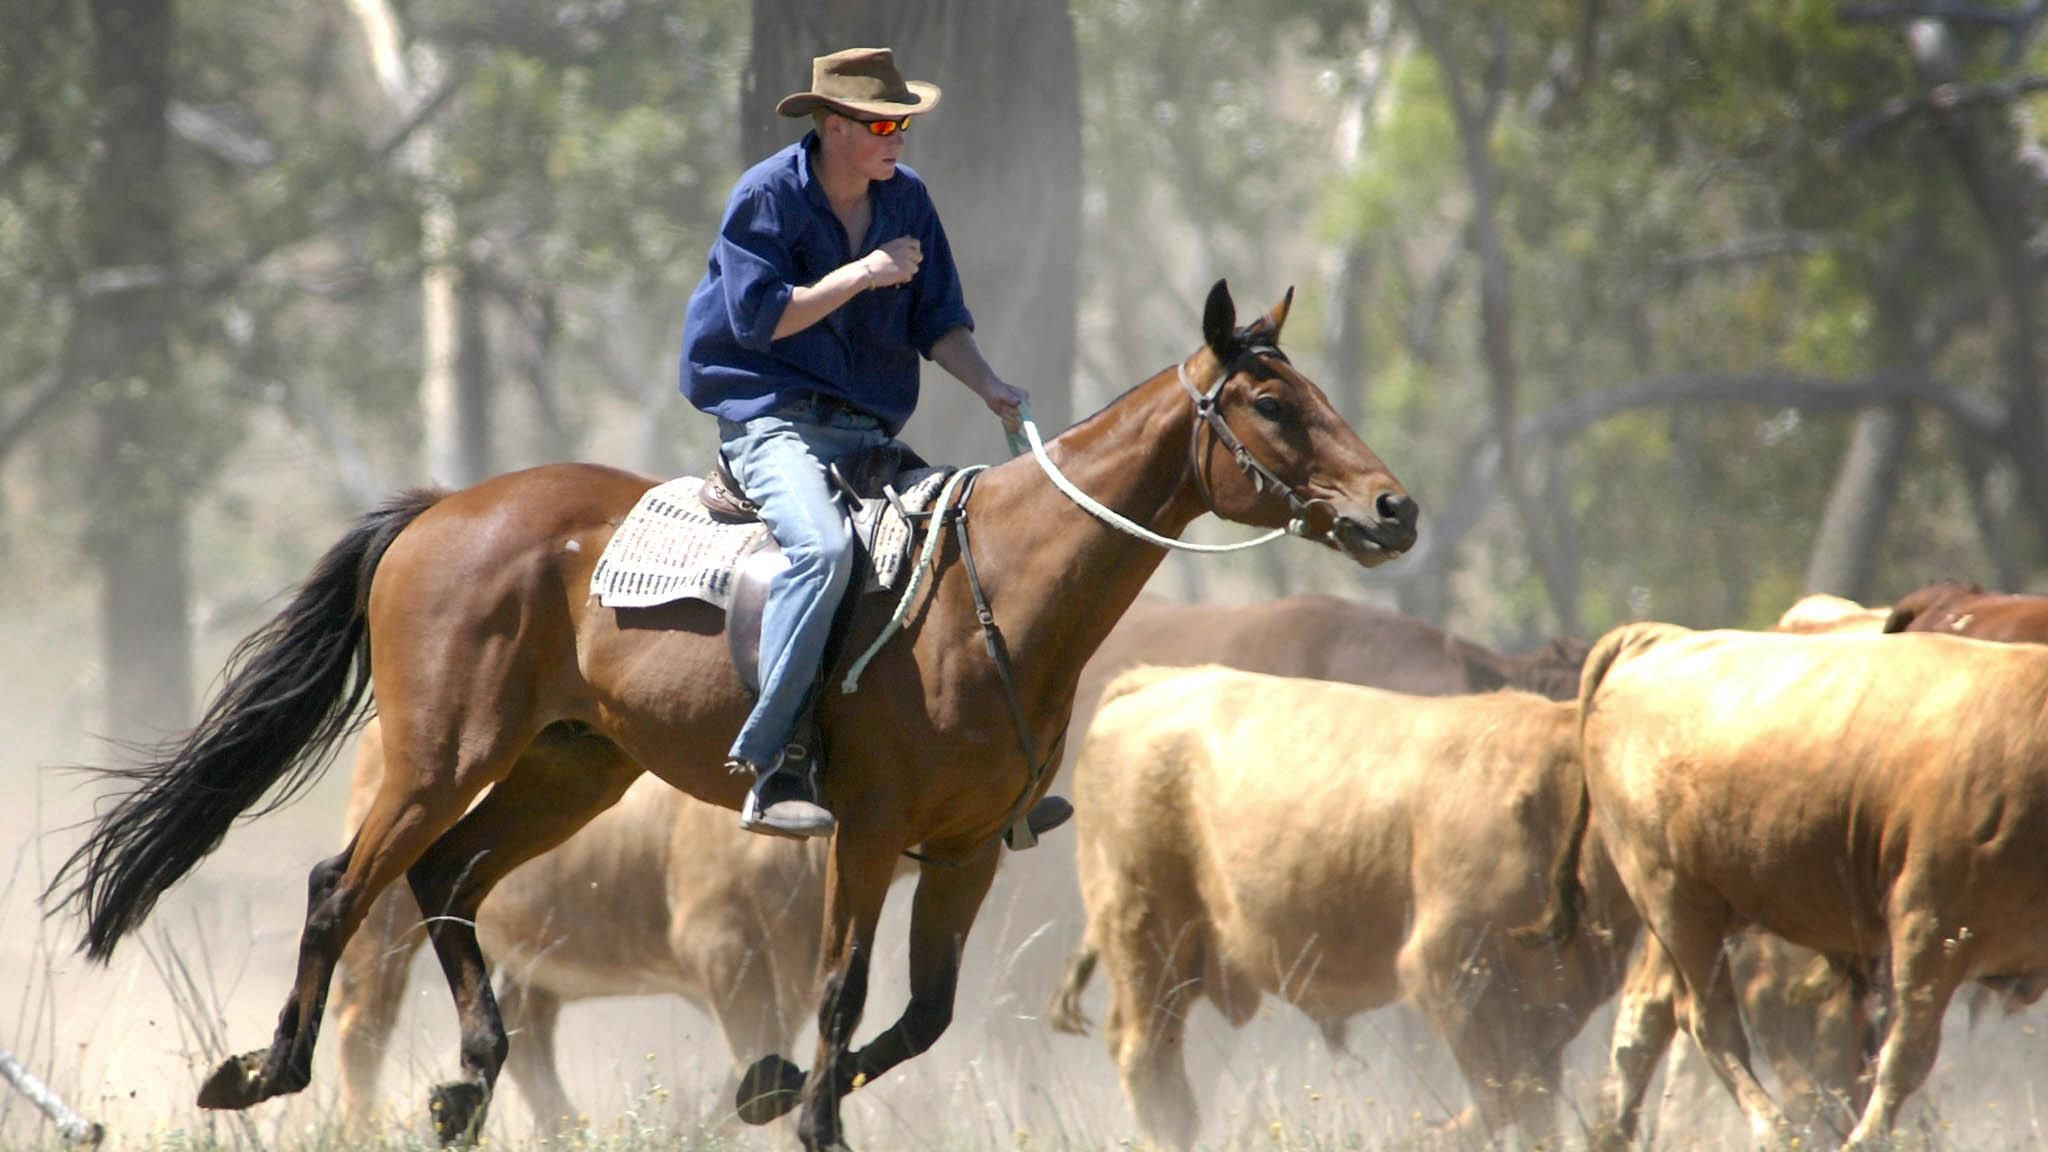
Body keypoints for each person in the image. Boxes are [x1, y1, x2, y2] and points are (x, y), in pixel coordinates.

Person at [680, 47, 1028, 838]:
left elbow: (939, 321)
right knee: (824, 553)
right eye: (880, 125)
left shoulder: (908, 199)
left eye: (903, 124)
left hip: (865, 431)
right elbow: (762, 320)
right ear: (832, 125)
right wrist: (866, 272)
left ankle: (986, 778)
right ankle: (776, 762)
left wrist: (990, 386)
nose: (897, 137)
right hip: (771, 420)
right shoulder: (767, 194)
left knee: (962, 551)